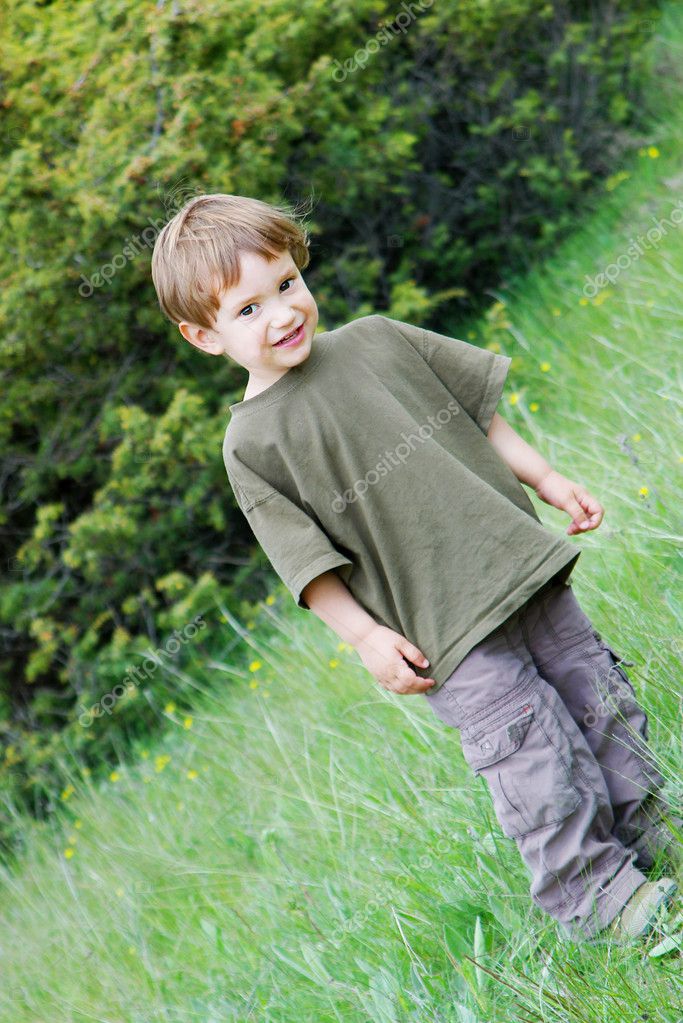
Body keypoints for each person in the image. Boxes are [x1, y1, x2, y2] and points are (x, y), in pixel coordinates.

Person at [151, 192, 680, 945]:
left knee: (599, 701)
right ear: (204, 336)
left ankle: (653, 837)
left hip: (517, 568)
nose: (282, 313)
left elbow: (476, 413)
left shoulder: (376, 340)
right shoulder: (252, 445)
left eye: (286, 283)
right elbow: (307, 565)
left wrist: (548, 479)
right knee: (530, 756)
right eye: (248, 309)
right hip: (442, 632)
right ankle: (598, 898)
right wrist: (367, 638)